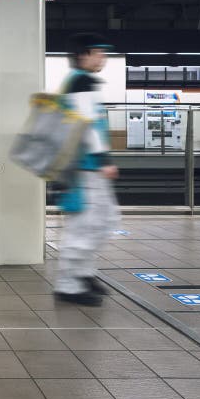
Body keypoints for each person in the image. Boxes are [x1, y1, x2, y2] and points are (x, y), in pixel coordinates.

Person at [54, 33, 120, 307]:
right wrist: (103, 159)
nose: (102, 58)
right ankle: (68, 284)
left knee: (101, 220)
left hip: (87, 166)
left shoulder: (83, 81)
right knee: (83, 225)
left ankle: (83, 272)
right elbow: (87, 123)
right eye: (98, 52)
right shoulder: (81, 81)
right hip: (84, 167)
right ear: (84, 55)